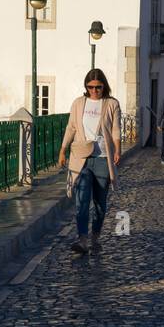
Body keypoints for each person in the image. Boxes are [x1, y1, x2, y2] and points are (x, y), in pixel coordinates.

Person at [58, 68, 122, 254]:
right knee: (82, 199)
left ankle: (95, 237)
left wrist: (117, 149)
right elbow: (71, 127)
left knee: (100, 204)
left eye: (98, 87)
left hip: (102, 158)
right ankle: (83, 240)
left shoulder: (111, 104)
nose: (94, 90)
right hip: (81, 158)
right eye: (90, 87)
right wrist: (63, 150)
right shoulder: (79, 103)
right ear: (86, 87)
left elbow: (116, 129)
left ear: (104, 86)